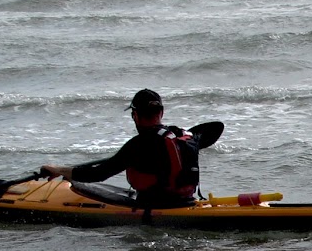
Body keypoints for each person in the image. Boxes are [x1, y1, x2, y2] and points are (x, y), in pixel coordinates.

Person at [40, 89, 223, 208]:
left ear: (135, 115)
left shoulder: (138, 145)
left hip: (156, 207)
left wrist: (59, 170)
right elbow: (216, 127)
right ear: (161, 113)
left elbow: (97, 175)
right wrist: (184, 138)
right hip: (186, 202)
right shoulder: (184, 138)